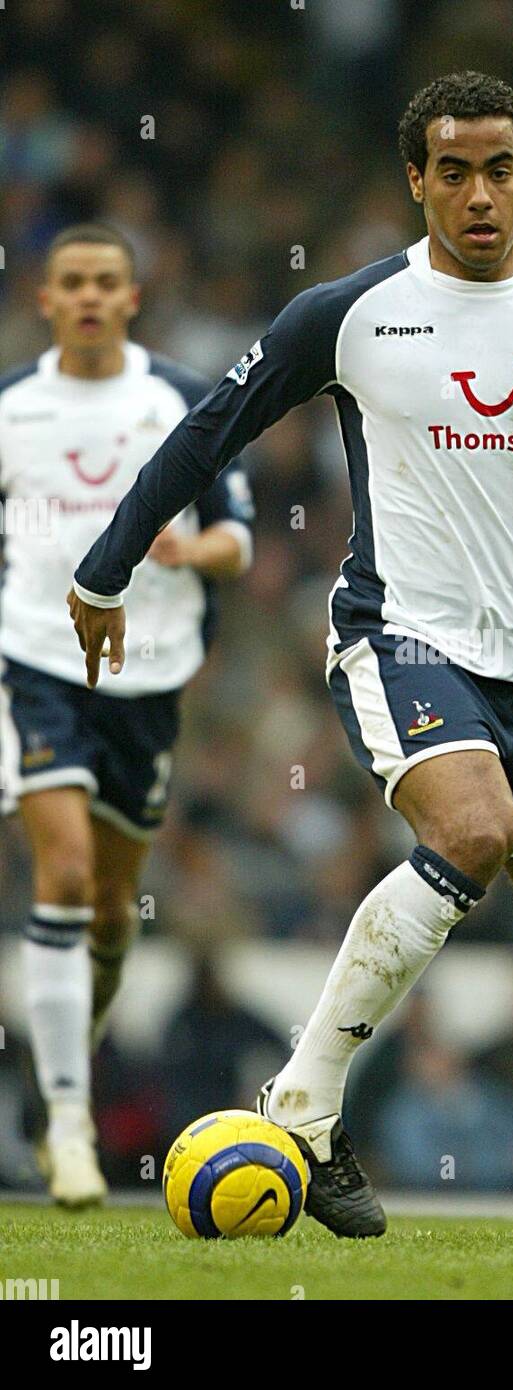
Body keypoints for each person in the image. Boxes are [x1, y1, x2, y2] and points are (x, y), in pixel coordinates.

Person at [67, 73, 513, 1241]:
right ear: (416, 180)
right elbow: (207, 433)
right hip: (400, 634)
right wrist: (104, 566)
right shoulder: (349, 311)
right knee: (470, 832)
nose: (477, 193)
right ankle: (304, 1103)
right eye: (452, 170)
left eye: (497, 168)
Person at [0, 223, 254, 1206]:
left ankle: (69, 1050)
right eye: (75, 282)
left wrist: (196, 554)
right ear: (47, 297)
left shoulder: (182, 399)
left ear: (134, 297)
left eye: (110, 280)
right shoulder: (13, 408)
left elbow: (237, 531)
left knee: (111, 908)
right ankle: (67, 1122)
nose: (93, 296)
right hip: (34, 659)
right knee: (60, 872)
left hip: (146, 674)